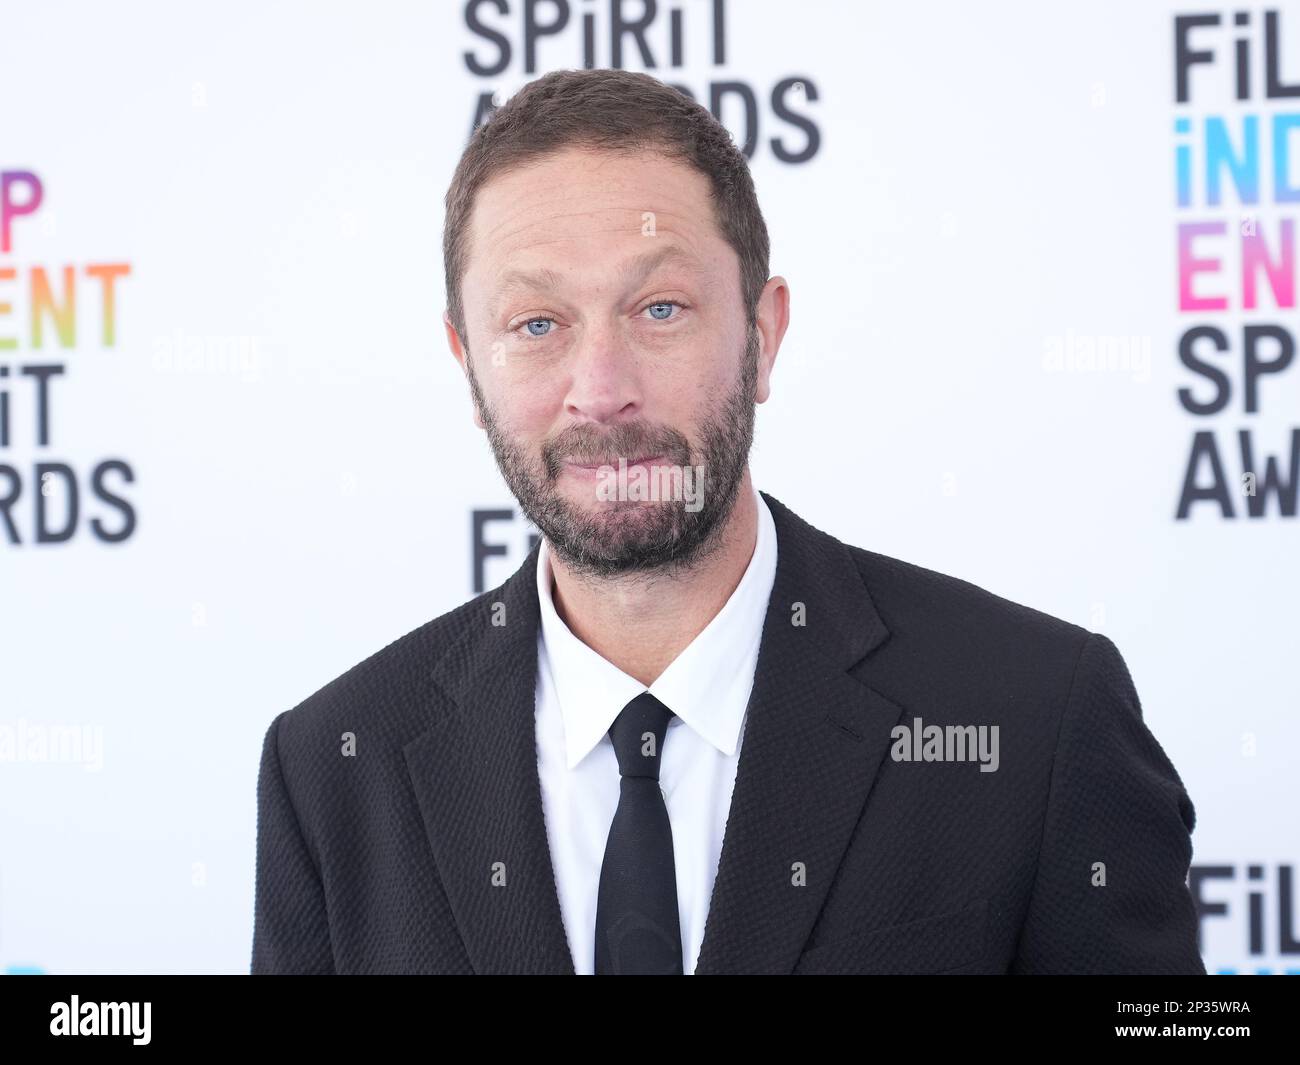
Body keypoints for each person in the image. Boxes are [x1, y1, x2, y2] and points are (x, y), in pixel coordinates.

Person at [251, 67, 1204, 975]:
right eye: (537, 323)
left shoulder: (1033, 717)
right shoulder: (337, 771)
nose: (602, 391)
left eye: (660, 307)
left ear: (763, 334)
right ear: (468, 364)